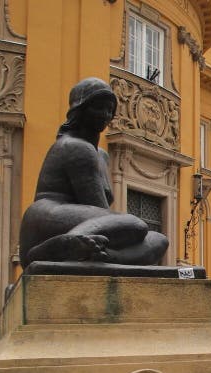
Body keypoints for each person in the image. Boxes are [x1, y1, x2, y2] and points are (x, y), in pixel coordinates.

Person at [19, 78, 168, 268]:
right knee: (136, 225)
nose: (105, 115)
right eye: (98, 108)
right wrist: (125, 230)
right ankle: (62, 245)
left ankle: (105, 257)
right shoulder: (77, 147)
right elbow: (99, 209)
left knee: (160, 240)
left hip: (79, 226)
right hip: (46, 218)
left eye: (109, 109)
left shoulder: (101, 155)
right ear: (79, 110)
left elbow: (104, 217)